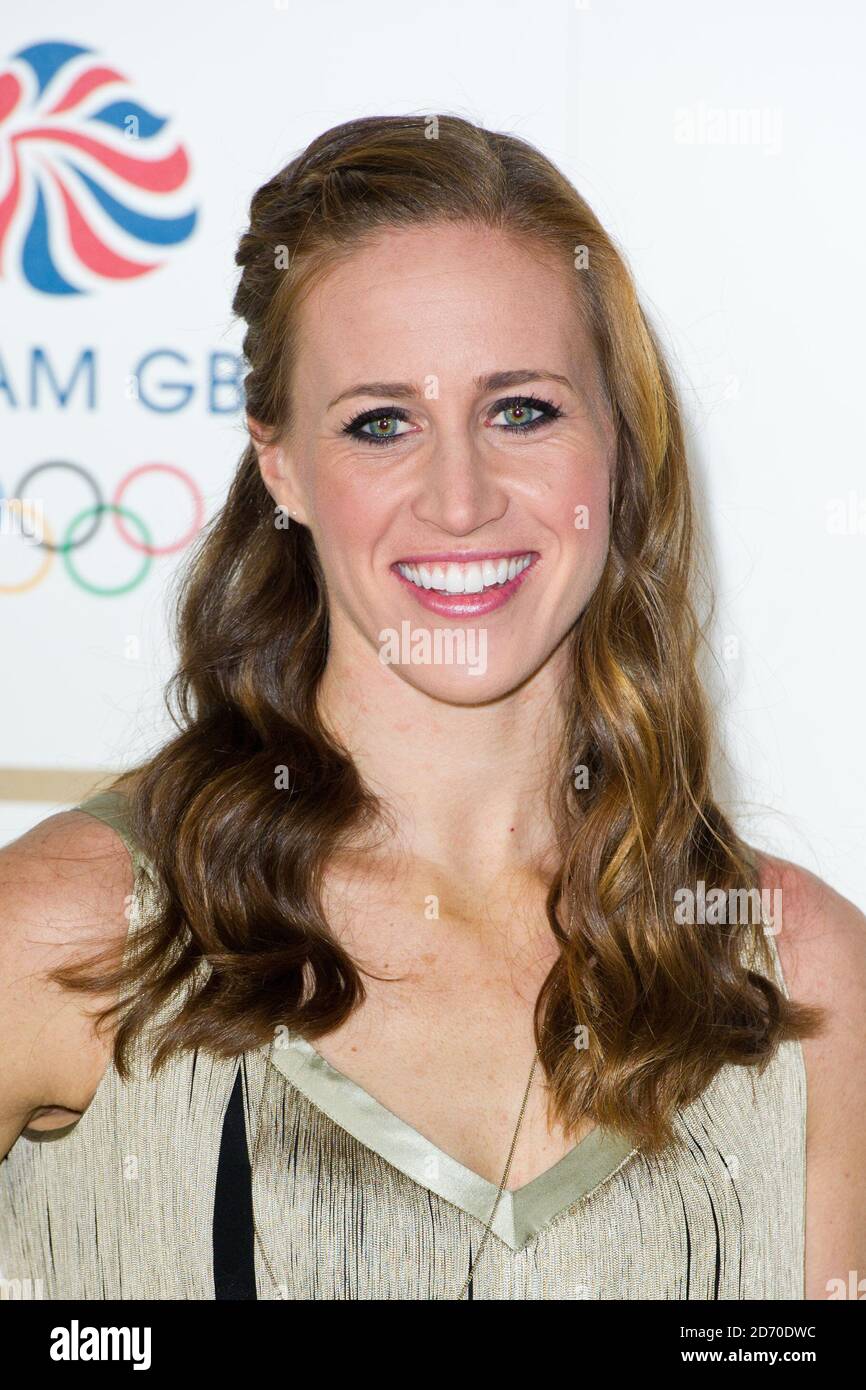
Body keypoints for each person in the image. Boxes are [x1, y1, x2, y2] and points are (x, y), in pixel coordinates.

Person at [1, 114, 863, 1301]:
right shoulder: (73, 932)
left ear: (616, 442)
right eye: (379, 422)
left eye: (521, 410)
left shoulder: (796, 967)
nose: (458, 499)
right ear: (282, 465)